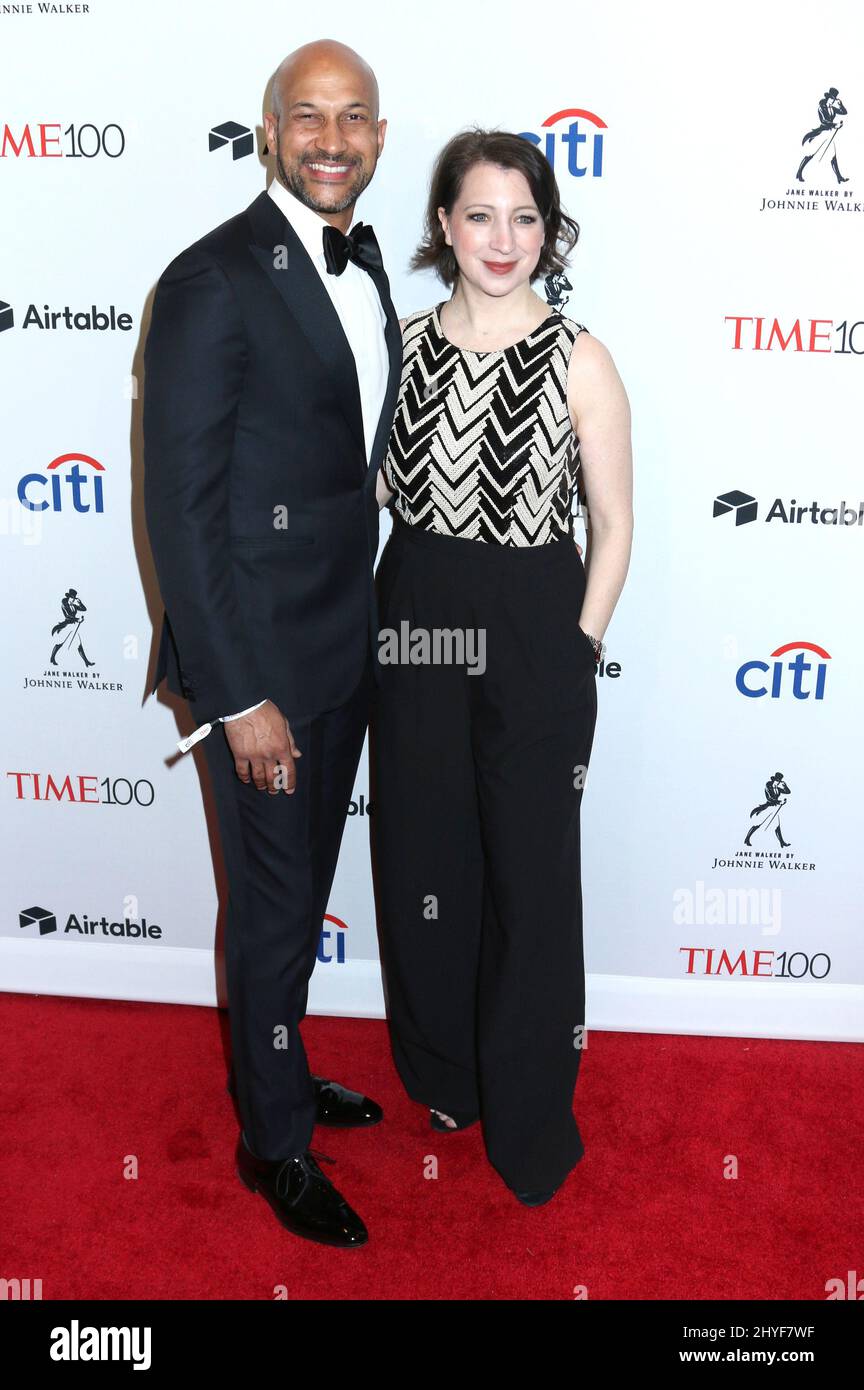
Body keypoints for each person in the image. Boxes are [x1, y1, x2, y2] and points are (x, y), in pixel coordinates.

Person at [143, 40, 403, 1248]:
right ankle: (274, 1144)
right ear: (268, 129)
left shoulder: (368, 271)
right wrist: (236, 694)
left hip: (339, 654)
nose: (332, 139)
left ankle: (282, 1078)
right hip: (257, 674)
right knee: (273, 903)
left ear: (380, 136)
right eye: (309, 116)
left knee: (297, 903)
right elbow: (180, 511)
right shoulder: (209, 279)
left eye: (353, 117)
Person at [371, 129, 633, 1205]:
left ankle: (529, 1107)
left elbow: (613, 524)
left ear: (549, 231)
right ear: (444, 225)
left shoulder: (580, 357)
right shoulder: (405, 345)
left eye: (524, 218)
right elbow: (367, 494)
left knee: (530, 872)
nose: (502, 238)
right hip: (419, 609)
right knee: (426, 852)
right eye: (480, 215)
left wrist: (577, 645)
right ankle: (444, 1074)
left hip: (533, 617)